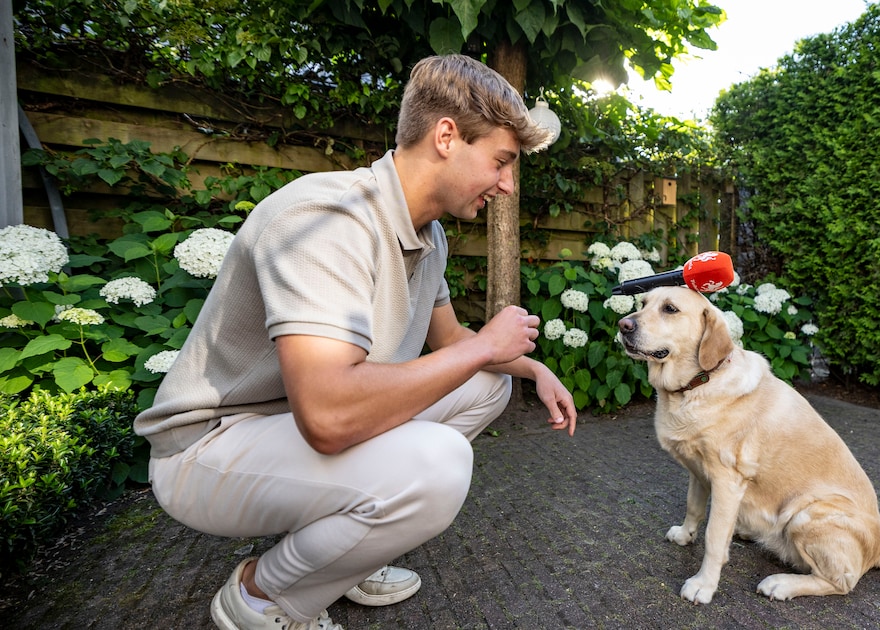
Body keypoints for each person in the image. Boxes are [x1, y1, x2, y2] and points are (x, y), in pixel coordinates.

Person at [134, 54, 578, 630]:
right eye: (501, 161)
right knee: (438, 465)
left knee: (487, 383)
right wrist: (483, 347)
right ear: (447, 136)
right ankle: (261, 599)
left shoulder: (430, 234)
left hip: (290, 429)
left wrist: (532, 370)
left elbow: (454, 342)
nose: (508, 184)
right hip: (211, 448)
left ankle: (348, 551)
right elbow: (328, 415)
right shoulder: (326, 217)